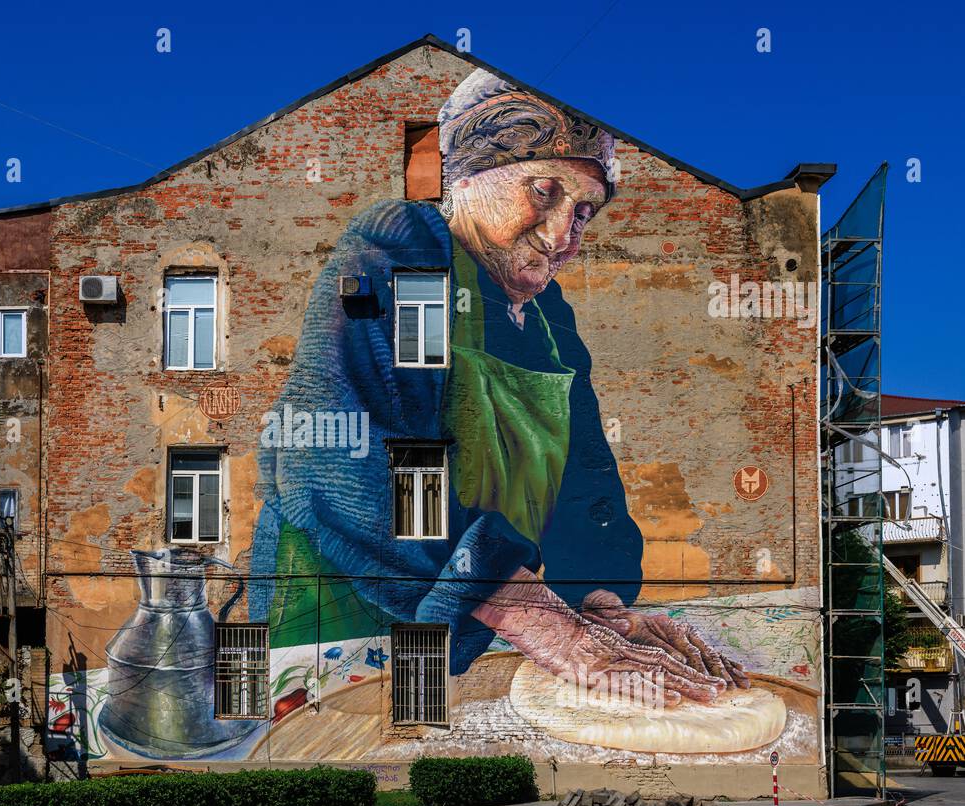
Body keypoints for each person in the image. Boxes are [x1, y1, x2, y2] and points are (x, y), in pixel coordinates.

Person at [250, 69, 746, 704]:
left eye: (585, 211)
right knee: (356, 747)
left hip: (477, 618)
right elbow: (359, 462)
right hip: (344, 608)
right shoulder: (404, 264)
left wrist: (597, 603)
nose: (563, 235)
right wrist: (539, 619)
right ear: (465, 182)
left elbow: (584, 476)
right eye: (543, 192)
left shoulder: (548, 322)